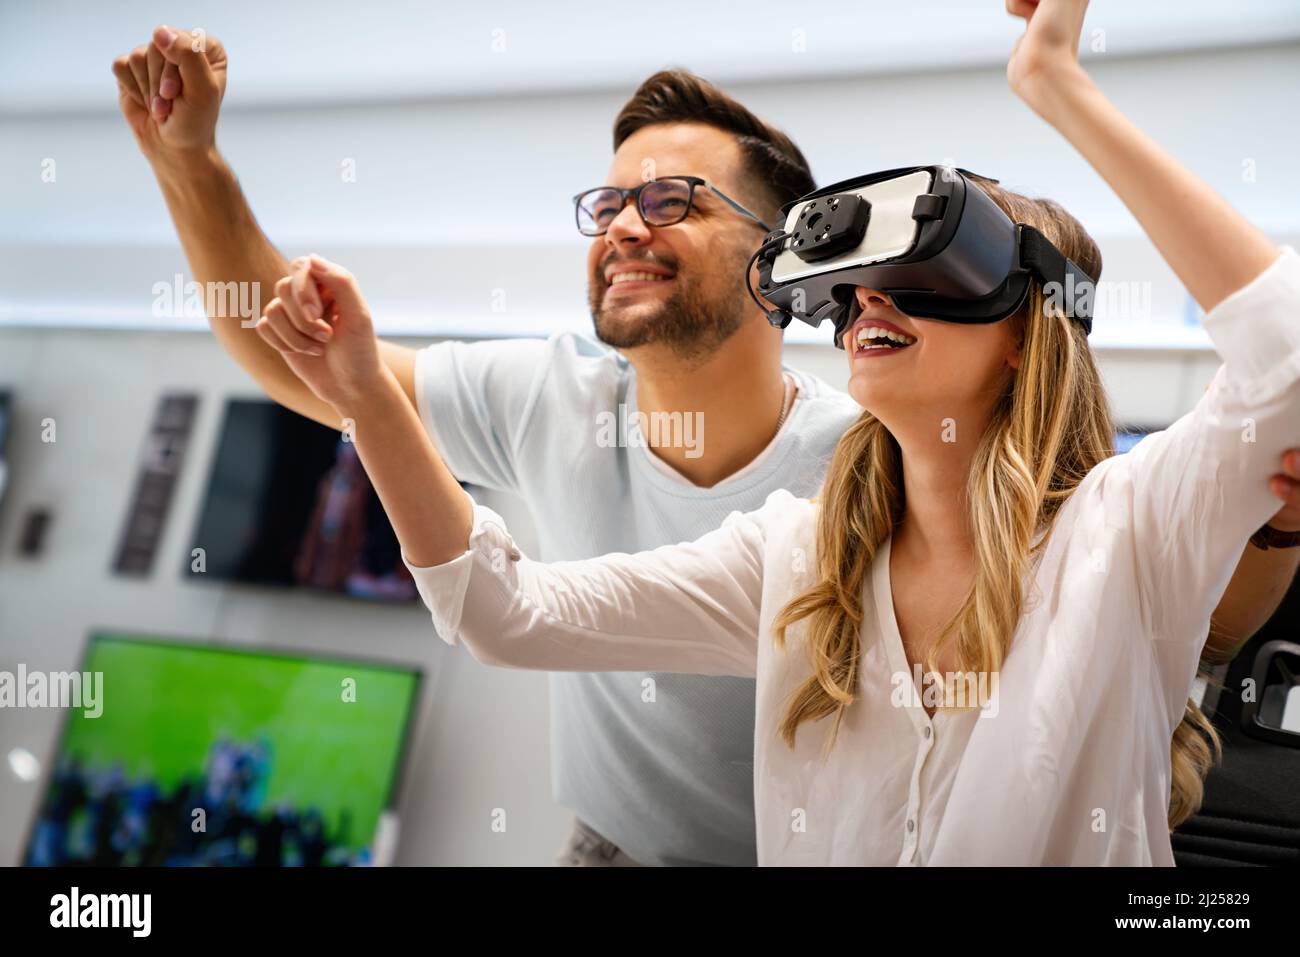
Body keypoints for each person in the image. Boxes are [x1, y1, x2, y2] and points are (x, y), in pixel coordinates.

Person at [111, 6, 1300, 865]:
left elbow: (1260, 417)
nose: (624, 225)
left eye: (671, 200)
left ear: (777, 260)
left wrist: (1056, 88)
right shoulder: (778, 544)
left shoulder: (1006, 513)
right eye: (609, 202)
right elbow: (490, 600)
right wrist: (196, 176)